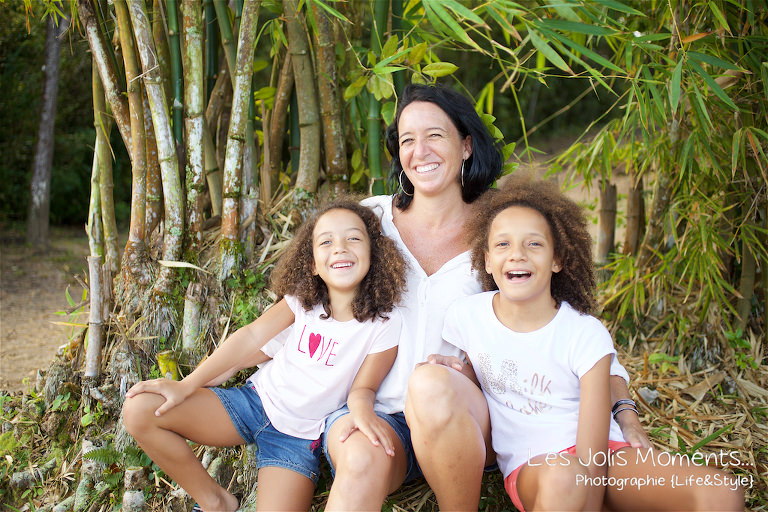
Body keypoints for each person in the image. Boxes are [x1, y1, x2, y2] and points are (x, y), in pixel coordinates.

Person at [321, 83, 651, 511]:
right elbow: (305, 305)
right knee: (359, 460)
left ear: (466, 145)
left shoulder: (505, 230)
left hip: (472, 420)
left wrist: (625, 413)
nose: (420, 151)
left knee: (433, 385)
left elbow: (575, 336)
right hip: (377, 413)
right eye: (407, 140)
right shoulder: (370, 220)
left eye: (435, 135)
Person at [441, 176, 744, 511]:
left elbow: (592, 453)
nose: (517, 255)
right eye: (503, 244)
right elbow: (469, 380)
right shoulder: (467, 316)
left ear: (557, 259)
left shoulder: (585, 333)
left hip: (604, 457)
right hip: (537, 465)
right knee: (564, 477)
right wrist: (453, 370)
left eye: (534, 244)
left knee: (721, 492)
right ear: (486, 260)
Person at [122, 198, 407, 512]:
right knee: (139, 410)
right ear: (312, 263)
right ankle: (215, 502)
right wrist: (186, 385)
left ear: (374, 253)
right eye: (326, 242)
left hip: (296, 440)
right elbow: (251, 336)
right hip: (252, 404)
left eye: (353, 238)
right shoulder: (302, 302)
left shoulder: (385, 324)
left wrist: (363, 413)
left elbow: (363, 389)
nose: (339, 248)